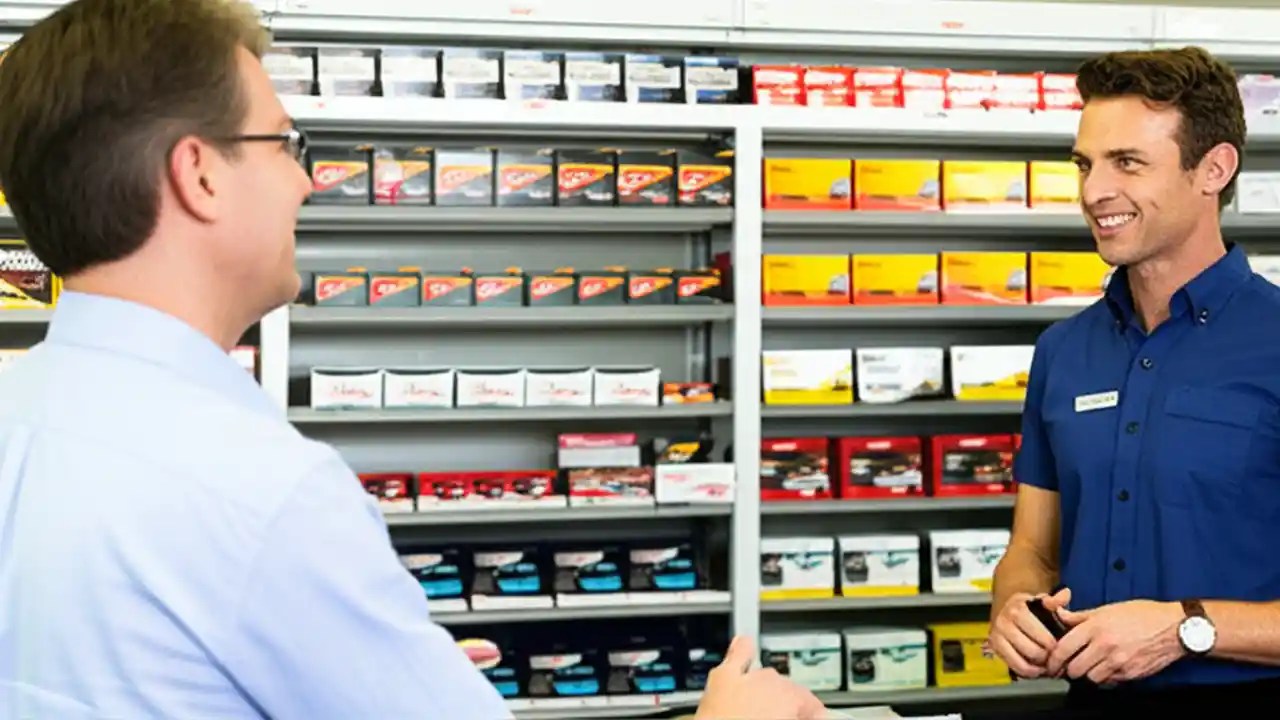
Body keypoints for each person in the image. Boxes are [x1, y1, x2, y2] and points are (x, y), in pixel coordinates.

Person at [0, 1, 827, 719]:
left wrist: (374, 677)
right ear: (200, 175)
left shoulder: (18, 412)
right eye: (284, 144)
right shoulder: (262, 494)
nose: (305, 182)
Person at [988, 45, 1280, 713]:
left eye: (1128, 163)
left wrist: (1184, 629)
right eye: (1085, 164)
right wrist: (1013, 604)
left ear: (1213, 169)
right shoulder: (1062, 351)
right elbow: (1031, 547)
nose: (1093, 193)